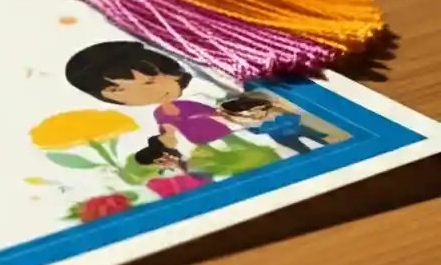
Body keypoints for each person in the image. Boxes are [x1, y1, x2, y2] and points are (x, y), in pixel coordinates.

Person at [65, 41, 280, 177]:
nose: (141, 94)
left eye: (149, 82)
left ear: (168, 71)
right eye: (115, 91)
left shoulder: (207, 86)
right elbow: (171, 133)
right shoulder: (162, 112)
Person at [219, 95, 329, 154]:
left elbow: (293, 115)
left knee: (313, 138)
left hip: (287, 127)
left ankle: (320, 142)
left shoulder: (274, 112)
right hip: (281, 134)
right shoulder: (254, 121)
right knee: (303, 148)